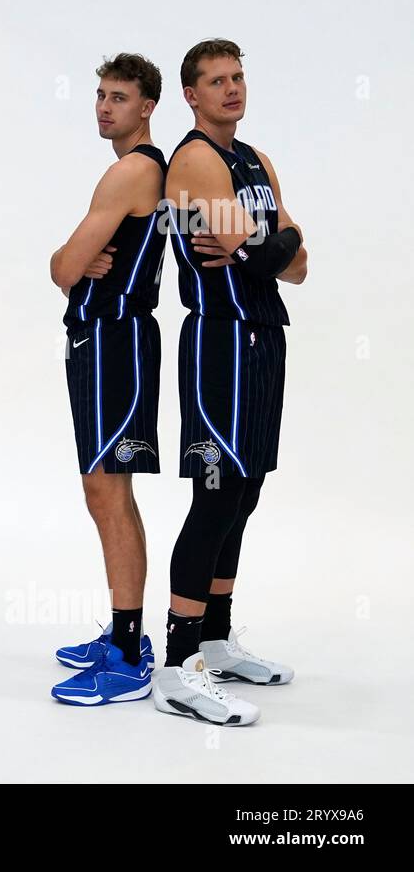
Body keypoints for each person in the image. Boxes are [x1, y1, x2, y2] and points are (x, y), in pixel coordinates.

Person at [150, 39, 307, 726]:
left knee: (246, 491)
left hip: (264, 334)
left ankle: (215, 638)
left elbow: (292, 262)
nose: (232, 89)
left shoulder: (256, 160)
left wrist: (264, 244)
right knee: (215, 494)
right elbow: (269, 247)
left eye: (238, 77)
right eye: (217, 80)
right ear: (192, 94)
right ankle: (177, 667)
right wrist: (266, 244)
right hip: (219, 337)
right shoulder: (193, 159)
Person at [48, 53, 167, 706]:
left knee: (108, 493)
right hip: (104, 340)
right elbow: (71, 264)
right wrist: (72, 260)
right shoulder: (131, 171)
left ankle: (128, 657)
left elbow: (65, 266)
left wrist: (70, 259)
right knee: (106, 491)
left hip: (116, 341)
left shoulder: (131, 171)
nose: (103, 106)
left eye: (118, 97)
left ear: (147, 106)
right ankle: (127, 635)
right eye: (99, 94)